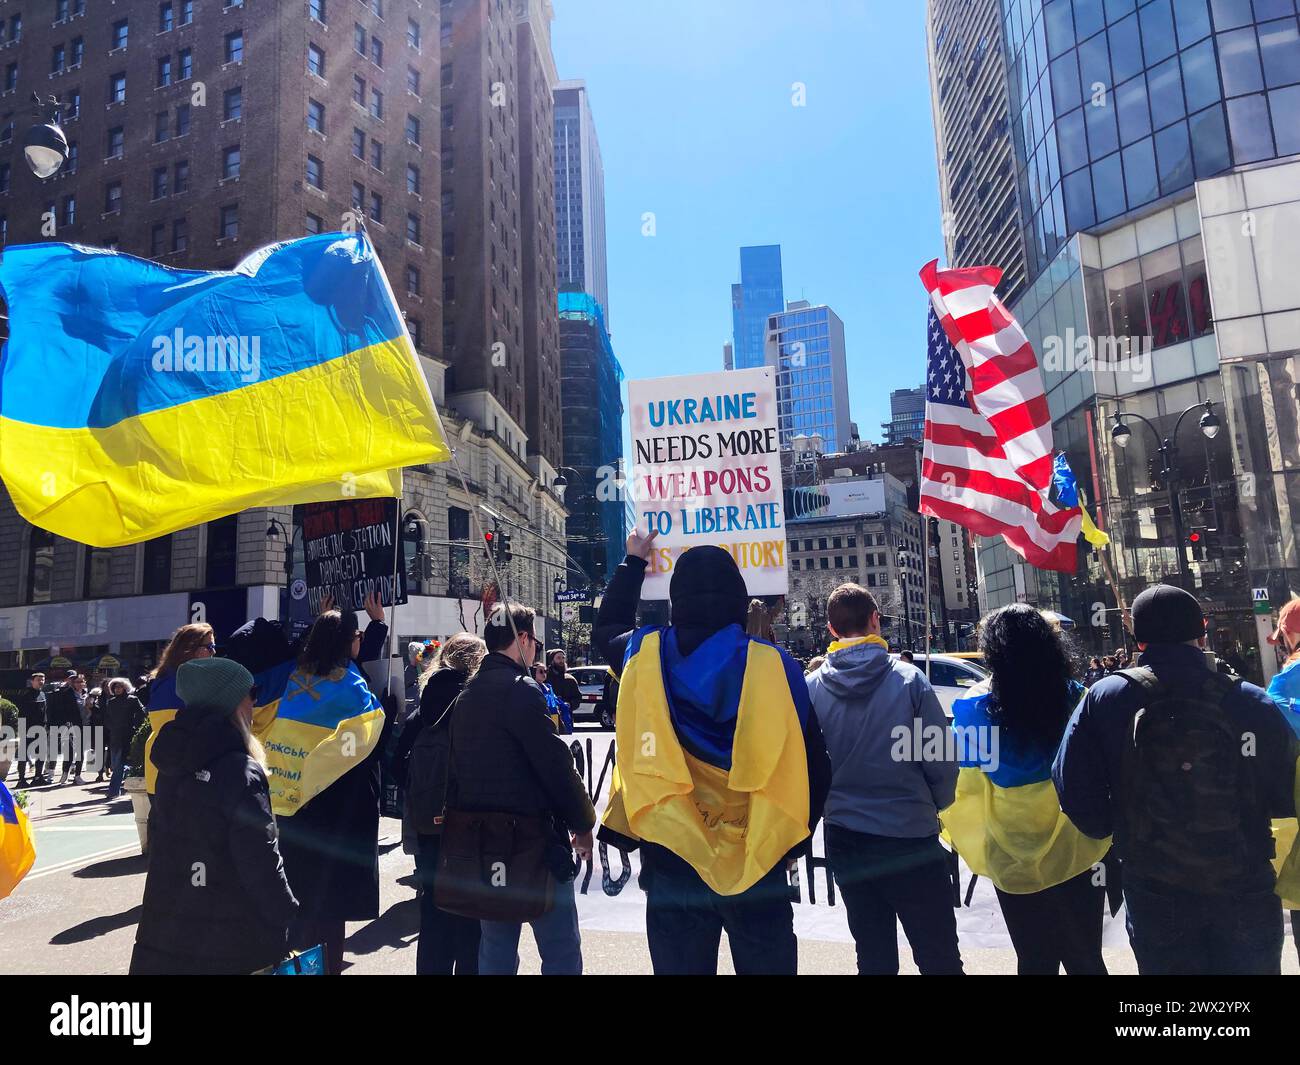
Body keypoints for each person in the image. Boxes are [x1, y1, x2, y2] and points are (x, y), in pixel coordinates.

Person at [595, 531, 830, 976]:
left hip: (671, 855)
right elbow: (816, 764)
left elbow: (604, 628)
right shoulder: (775, 665)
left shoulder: (641, 653)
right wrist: (793, 840)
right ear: (738, 599)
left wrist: (632, 562)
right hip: (758, 852)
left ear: (675, 599)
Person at [1054, 584, 1300, 975]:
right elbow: (1288, 789)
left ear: (1136, 635)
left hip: (1154, 884)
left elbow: (1071, 785)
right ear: (1202, 629)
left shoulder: (1106, 696)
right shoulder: (1249, 698)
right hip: (1243, 879)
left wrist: (1115, 829)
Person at [942, 605, 1109, 975]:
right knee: (1086, 958)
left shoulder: (972, 709)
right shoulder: (1078, 698)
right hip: (1077, 847)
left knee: (1034, 959)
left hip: (1010, 853)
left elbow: (962, 786)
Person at [806, 583, 962, 975]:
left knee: (873, 957)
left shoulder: (810, 690)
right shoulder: (909, 680)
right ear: (876, 620)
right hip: (910, 834)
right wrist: (936, 804)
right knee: (939, 956)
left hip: (846, 837)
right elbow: (939, 760)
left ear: (831, 629)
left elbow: (809, 768)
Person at [446, 602, 595, 975]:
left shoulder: (466, 696)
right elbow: (556, 767)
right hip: (534, 844)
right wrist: (582, 823)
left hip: (484, 844)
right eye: (535, 644)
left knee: (495, 950)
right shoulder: (522, 690)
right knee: (560, 949)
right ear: (523, 639)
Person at [130, 657, 298, 974]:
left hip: (169, 923)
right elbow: (259, 856)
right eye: (251, 693)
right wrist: (285, 911)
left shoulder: (172, 756)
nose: (254, 701)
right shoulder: (239, 769)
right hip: (231, 933)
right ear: (232, 702)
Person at [275, 602, 389, 975]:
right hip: (338, 807)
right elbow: (370, 744)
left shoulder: (291, 680)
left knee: (302, 901)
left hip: (293, 803)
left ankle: (302, 968)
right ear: (347, 643)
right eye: (356, 636)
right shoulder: (352, 686)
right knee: (331, 911)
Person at [396, 632, 486, 975]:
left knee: (433, 914)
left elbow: (396, 764)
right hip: (470, 827)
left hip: (428, 829)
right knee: (471, 920)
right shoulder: (475, 703)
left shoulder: (425, 706)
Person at [142, 623, 216, 795]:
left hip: (169, 773)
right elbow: (173, 734)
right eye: (209, 647)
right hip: (173, 776)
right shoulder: (174, 682)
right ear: (189, 649)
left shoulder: (172, 678)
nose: (214, 652)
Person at [103, 678, 146, 800]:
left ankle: (114, 791)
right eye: (115, 687)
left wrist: (135, 726)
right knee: (117, 764)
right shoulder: (111, 702)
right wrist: (111, 727)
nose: (117, 689)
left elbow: (141, 713)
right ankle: (116, 789)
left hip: (128, 735)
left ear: (125, 687)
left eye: (120, 687)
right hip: (115, 736)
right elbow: (107, 718)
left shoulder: (132, 700)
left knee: (121, 764)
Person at [45, 671, 85, 785]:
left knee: (80, 752)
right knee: (68, 751)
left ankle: (77, 775)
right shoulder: (65, 693)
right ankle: (62, 774)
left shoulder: (86, 694)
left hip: (83, 725)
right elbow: (59, 709)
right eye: (75, 681)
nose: (78, 683)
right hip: (68, 725)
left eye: (80, 681)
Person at [13, 673, 46, 787]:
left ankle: (38, 777)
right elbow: (21, 714)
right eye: (38, 680)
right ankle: (21, 779)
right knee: (23, 755)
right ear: (32, 681)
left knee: (41, 755)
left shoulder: (42, 694)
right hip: (27, 729)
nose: (41, 682)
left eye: (42, 680)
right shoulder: (26, 695)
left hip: (41, 729)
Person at [532, 662, 574, 734]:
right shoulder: (532, 687)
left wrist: (563, 704)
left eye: (545, 671)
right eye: (541, 671)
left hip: (554, 716)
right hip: (542, 718)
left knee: (555, 736)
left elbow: (554, 700)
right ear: (533, 672)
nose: (544, 674)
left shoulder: (548, 687)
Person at [545, 649, 583, 720]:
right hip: (548, 717)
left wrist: (570, 704)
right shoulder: (545, 678)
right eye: (558, 658)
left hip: (566, 718)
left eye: (563, 658)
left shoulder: (570, 679)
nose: (561, 661)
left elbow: (577, 698)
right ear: (552, 660)